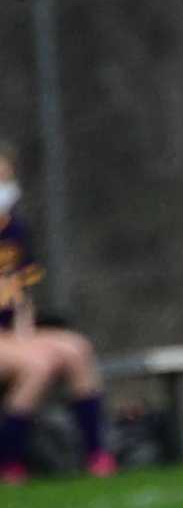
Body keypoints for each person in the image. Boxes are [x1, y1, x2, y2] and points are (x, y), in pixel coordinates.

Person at [0, 146, 113, 483]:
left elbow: (22, 297)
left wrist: (25, 334)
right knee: (38, 366)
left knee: (76, 349)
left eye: (7, 179)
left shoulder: (14, 230)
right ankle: (10, 463)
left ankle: (98, 456)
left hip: (12, 334)